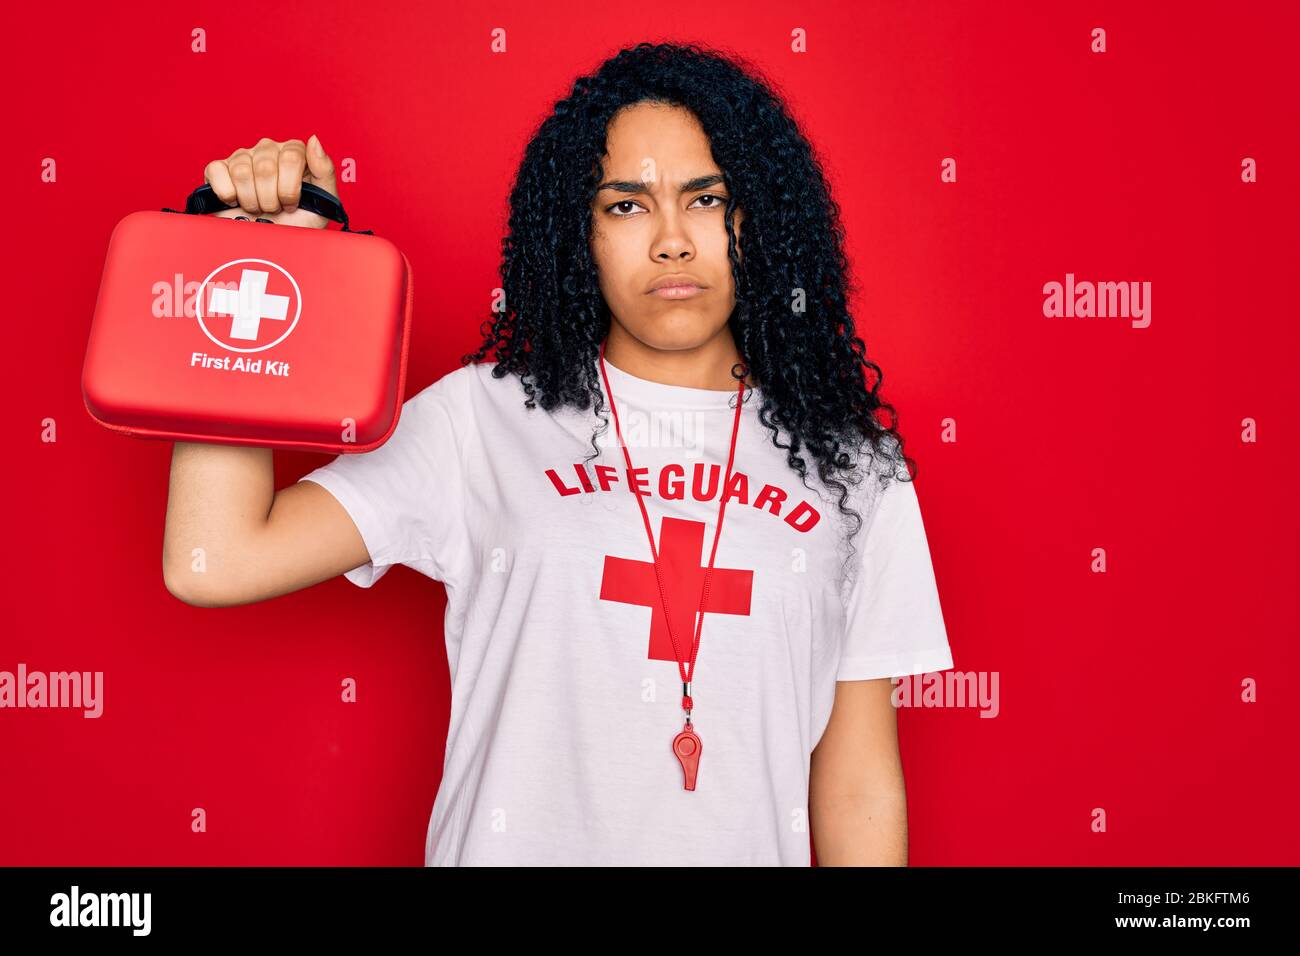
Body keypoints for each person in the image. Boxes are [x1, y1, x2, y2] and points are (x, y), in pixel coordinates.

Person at [163, 41, 954, 866]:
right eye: (625, 205)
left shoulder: (856, 467)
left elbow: (859, 783)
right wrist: (252, 265)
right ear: (577, 235)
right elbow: (212, 560)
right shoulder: (482, 418)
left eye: (707, 198)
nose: (673, 242)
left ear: (759, 221)